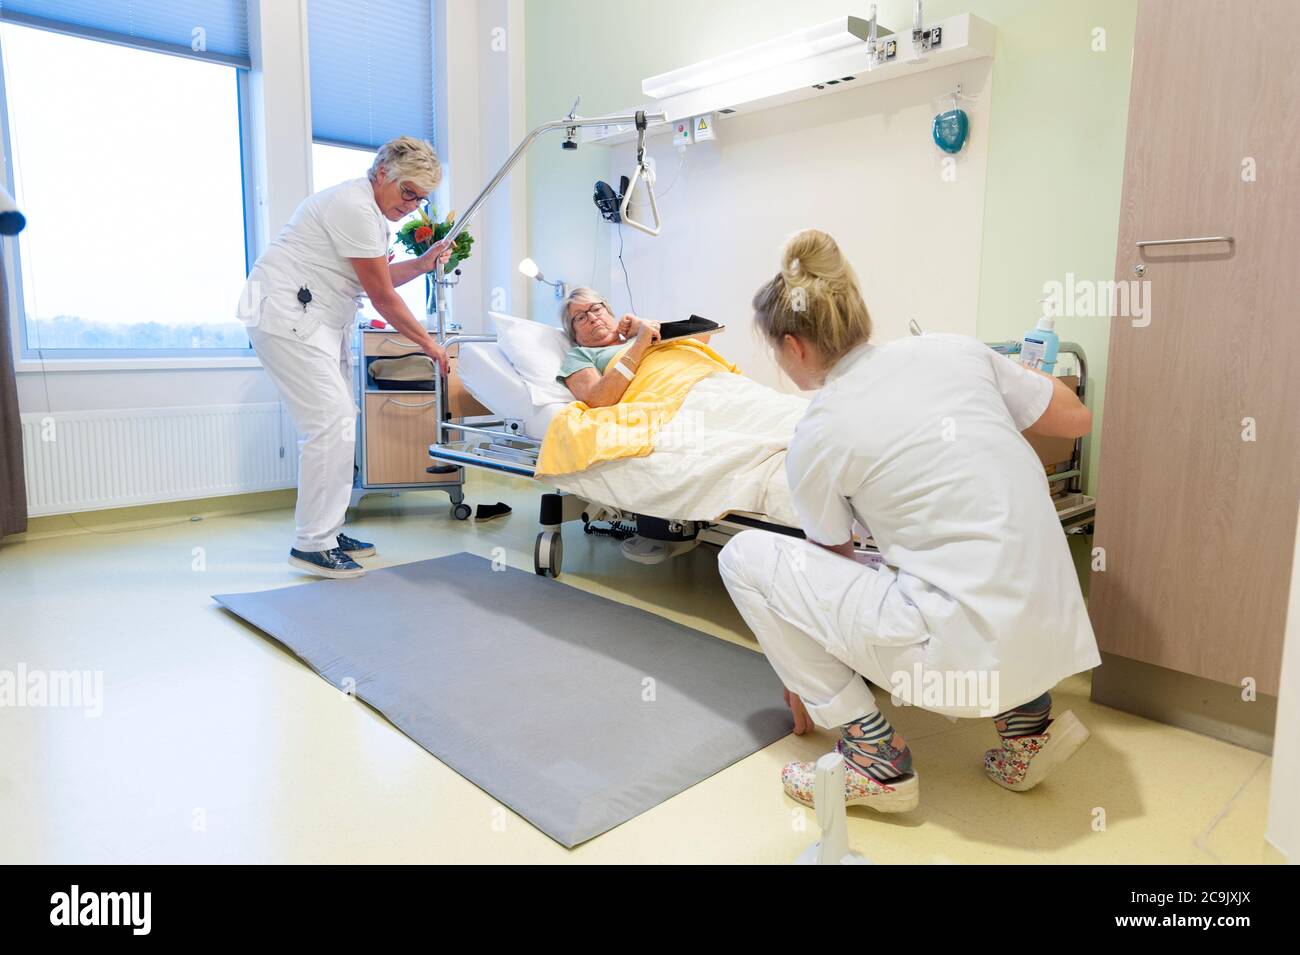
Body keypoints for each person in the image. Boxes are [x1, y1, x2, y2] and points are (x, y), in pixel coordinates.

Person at [717, 229, 1100, 812]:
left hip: (960, 660)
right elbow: (1074, 419)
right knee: (967, 549)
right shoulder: (956, 350)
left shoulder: (818, 431)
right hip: (1057, 636)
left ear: (793, 346)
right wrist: (1006, 375)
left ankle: (873, 760)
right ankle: (1028, 729)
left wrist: (798, 665)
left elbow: (829, 566)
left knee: (741, 557)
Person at [237, 136, 452, 579]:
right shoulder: (353, 206)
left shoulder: (370, 212)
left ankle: (328, 530)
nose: (412, 205)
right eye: (407, 192)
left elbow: (377, 276)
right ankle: (313, 544)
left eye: (421, 198)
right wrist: (429, 346)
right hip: (287, 314)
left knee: (338, 420)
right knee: (330, 421)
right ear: (381, 175)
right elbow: (382, 297)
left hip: (317, 319)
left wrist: (425, 262)